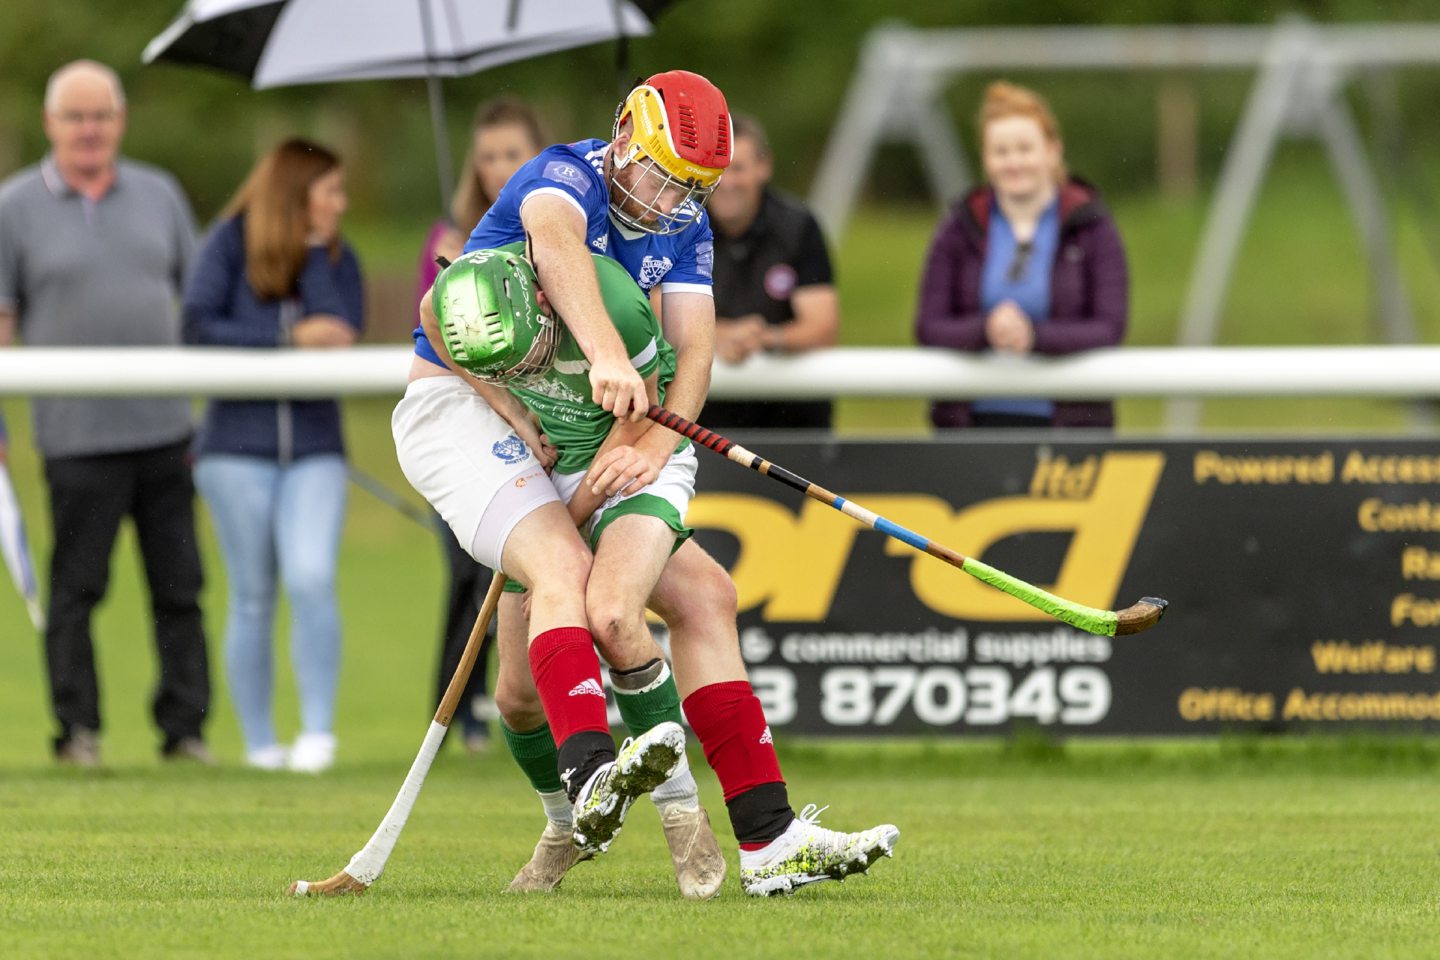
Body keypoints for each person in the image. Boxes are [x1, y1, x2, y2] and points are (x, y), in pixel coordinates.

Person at [427, 245, 900, 899]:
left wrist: (566, 540)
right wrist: (513, 412)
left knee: (615, 613)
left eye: (529, 359)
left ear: (540, 300)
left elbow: (641, 422)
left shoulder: (611, 309)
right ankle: (567, 830)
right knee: (517, 696)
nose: (523, 371)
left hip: (633, 456)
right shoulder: (465, 298)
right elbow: (431, 318)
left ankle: (717, 825)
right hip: (546, 481)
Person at [0, 60, 211, 767]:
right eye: (75, 116)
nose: (89, 129)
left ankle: (185, 732)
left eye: (101, 115)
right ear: (50, 123)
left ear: (119, 120)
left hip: (165, 432)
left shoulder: (160, 194)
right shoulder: (15, 206)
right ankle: (76, 732)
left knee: (179, 588)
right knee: (76, 590)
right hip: (74, 438)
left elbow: (199, 298)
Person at [182, 138, 362, 773]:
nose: (342, 203)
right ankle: (260, 743)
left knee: (311, 577)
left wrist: (311, 255)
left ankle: (317, 734)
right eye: (331, 191)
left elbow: (342, 328)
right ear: (297, 192)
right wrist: (285, 336)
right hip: (235, 449)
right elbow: (198, 326)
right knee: (252, 593)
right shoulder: (228, 242)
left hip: (315, 448)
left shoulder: (338, 256)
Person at [413, 96, 545, 754]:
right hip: (472, 418)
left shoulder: (555, 229)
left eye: (512, 155)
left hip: (542, 418)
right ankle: (457, 711)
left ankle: (526, 702)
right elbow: (433, 332)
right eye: (488, 156)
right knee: (465, 577)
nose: (498, 169)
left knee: (530, 573)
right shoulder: (449, 238)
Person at [915, 81, 1129, 429]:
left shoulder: (1092, 226)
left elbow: (1109, 326)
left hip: (1070, 426)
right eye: (1000, 151)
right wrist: (986, 330)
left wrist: (1035, 337)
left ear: (1053, 150)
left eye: (1024, 149)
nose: (1013, 162)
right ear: (985, 158)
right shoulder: (958, 226)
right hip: (970, 423)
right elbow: (929, 325)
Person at [704, 113, 839, 430]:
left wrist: (764, 338)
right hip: (706, 418)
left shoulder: (798, 227)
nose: (727, 182)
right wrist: (720, 335)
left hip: (793, 417)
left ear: (764, 167)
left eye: (738, 168)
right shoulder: (681, 225)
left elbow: (823, 328)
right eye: (717, 170)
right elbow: (655, 313)